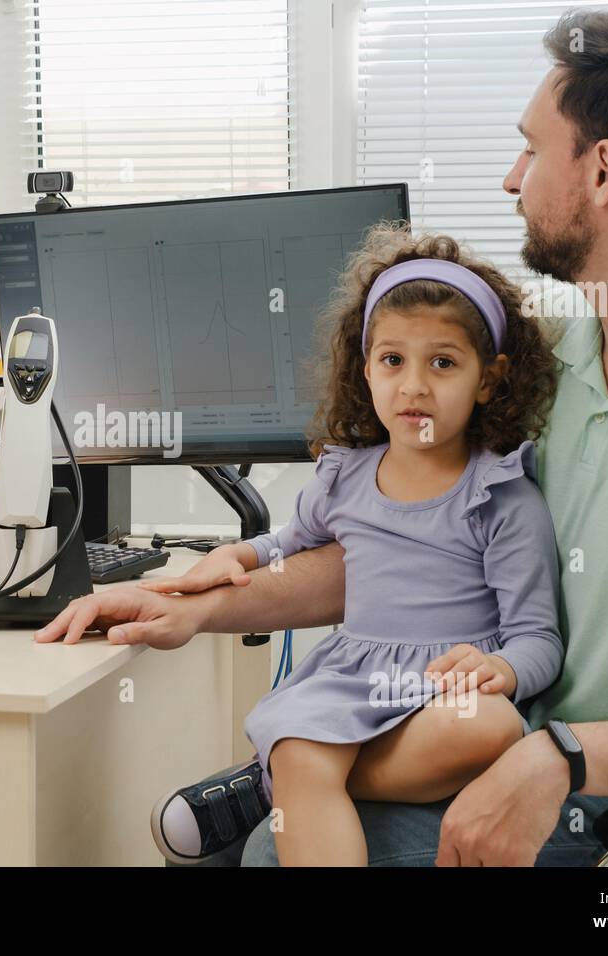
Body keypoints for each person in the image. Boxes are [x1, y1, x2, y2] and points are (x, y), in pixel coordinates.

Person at [35, 10, 608, 866]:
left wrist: (563, 758)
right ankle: (297, 767)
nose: (511, 179)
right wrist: (188, 607)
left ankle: (289, 766)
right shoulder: (546, 364)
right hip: (508, 749)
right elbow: (402, 549)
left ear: (603, 170)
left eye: (533, 151)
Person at [139, 223, 564, 865]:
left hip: (446, 696)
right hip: (353, 683)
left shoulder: (500, 496)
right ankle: (299, 774)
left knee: (497, 725)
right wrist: (240, 555)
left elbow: (538, 639)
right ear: (366, 368)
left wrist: (501, 669)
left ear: (488, 378)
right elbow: (294, 539)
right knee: (306, 749)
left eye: (442, 362)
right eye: (393, 360)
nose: (414, 386)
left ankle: (280, 780)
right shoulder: (345, 475)